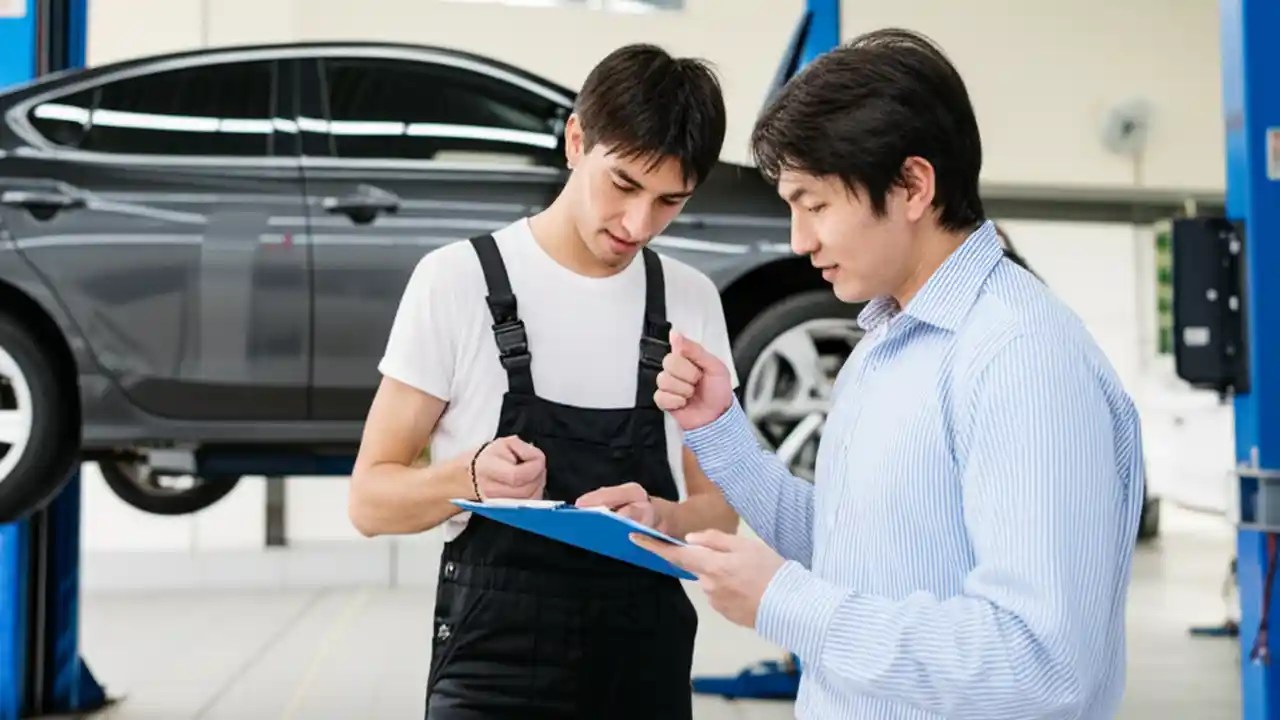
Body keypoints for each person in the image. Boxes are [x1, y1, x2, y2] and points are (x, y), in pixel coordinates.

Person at [635, 28, 1146, 719]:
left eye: (814, 204)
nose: (798, 240)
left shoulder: (1019, 358)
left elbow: (1039, 662)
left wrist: (788, 603)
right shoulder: (887, 341)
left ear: (912, 185)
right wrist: (719, 432)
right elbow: (857, 550)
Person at [349, 44, 740, 719]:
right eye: (622, 185)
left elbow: (718, 512)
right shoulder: (457, 281)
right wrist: (464, 477)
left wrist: (662, 518)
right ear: (576, 141)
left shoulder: (690, 300)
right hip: (491, 670)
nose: (638, 225)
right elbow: (370, 500)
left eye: (669, 201)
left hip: (643, 664)